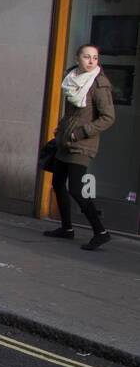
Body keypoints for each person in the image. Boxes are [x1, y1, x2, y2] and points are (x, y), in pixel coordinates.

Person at [45, 43, 115, 250]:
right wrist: (61, 131)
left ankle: (100, 232)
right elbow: (71, 113)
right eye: (87, 57)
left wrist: (81, 133)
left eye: (95, 57)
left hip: (82, 144)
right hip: (65, 140)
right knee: (57, 183)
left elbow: (108, 118)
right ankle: (66, 228)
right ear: (78, 59)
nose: (92, 61)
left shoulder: (99, 84)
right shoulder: (71, 78)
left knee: (76, 189)